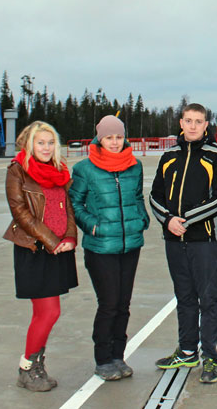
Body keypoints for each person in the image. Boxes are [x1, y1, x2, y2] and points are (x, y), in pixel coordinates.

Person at [149, 103, 217, 384]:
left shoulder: (216, 155)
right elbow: (154, 195)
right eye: (188, 120)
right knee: (184, 297)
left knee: (208, 299)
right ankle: (187, 350)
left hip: (206, 240)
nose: (193, 126)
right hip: (174, 240)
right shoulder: (170, 156)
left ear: (206, 124)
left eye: (199, 121)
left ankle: (211, 355)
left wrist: (185, 220)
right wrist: (168, 220)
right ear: (181, 123)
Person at [69, 115, 150, 381]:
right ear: (99, 139)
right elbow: (75, 204)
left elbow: (137, 197)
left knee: (124, 304)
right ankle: (102, 359)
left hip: (130, 244)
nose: (114, 142)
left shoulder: (134, 166)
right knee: (109, 303)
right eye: (109, 137)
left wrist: (142, 219)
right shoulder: (85, 169)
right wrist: (94, 226)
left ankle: (118, 355)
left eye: (118, 137)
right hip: (100, 247)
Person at [2, 121, 78, 393]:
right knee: (49, 312)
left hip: (58, 249)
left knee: (45, 312)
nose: (46, 148)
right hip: (34, 249)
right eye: (40, 142)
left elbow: (68, 208)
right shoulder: (18, 171)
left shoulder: (59, 171)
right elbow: (20, 213)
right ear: (29, 144)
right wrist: (51, 241)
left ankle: (36, 365)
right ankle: (27, 367)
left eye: (50, 143)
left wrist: (69, 238)